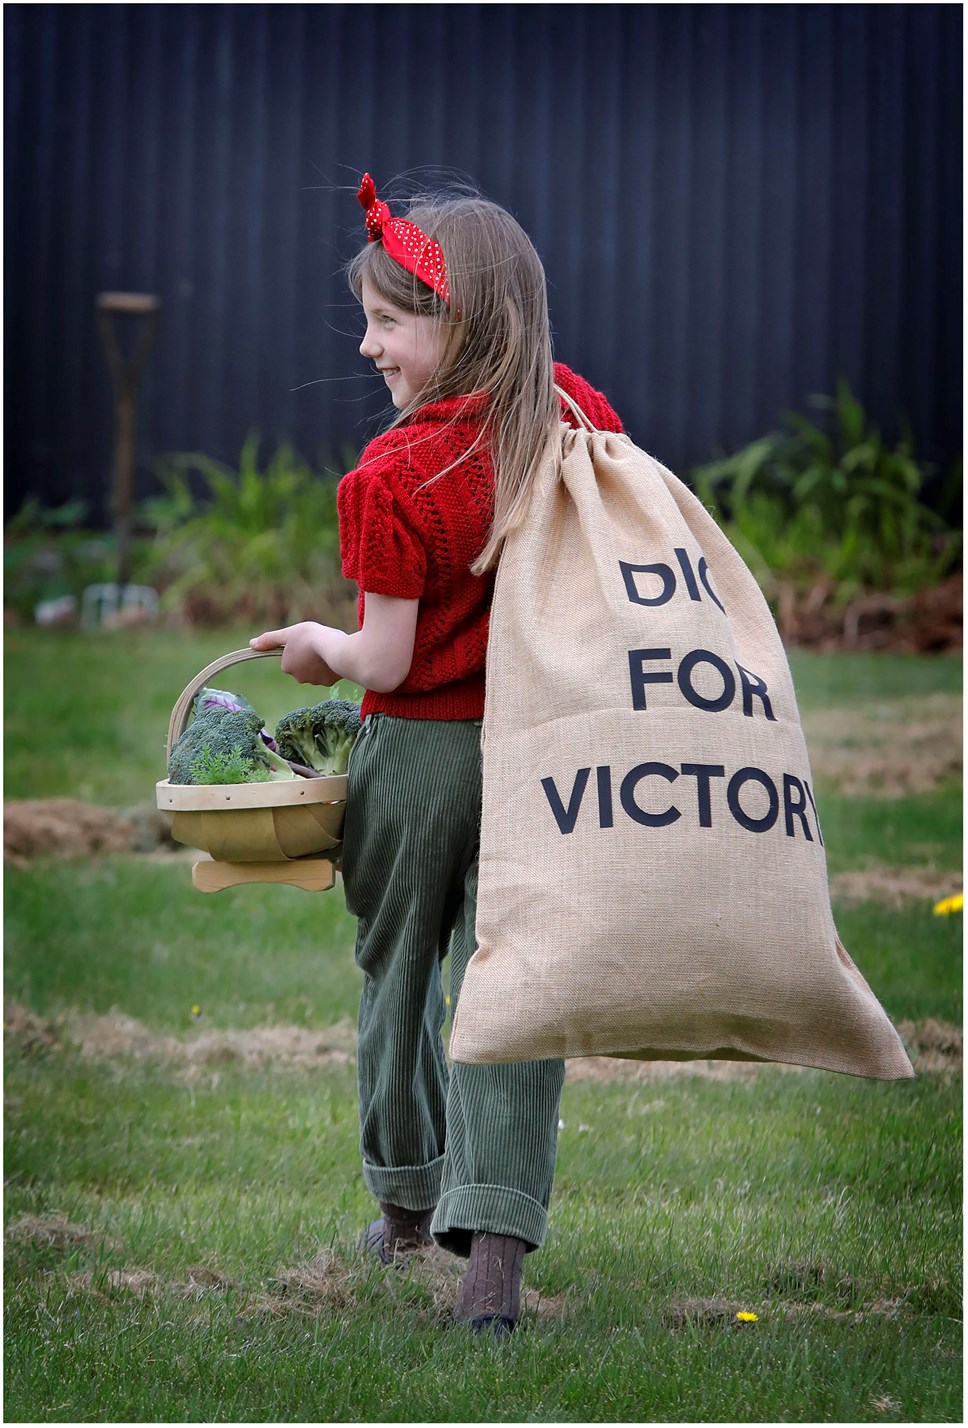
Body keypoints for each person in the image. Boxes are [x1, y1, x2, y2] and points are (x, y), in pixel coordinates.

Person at [250, 173, 623, 1337]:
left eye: (387, 322)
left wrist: (319, 645)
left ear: (461, 326)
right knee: (512, 987)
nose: (366, 346)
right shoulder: (578, 421)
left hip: (414, 757)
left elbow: (389, 659)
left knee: (400, 970)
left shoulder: (390, 478)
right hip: (539, 749)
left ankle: (406, 1209)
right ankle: (493, 1265)